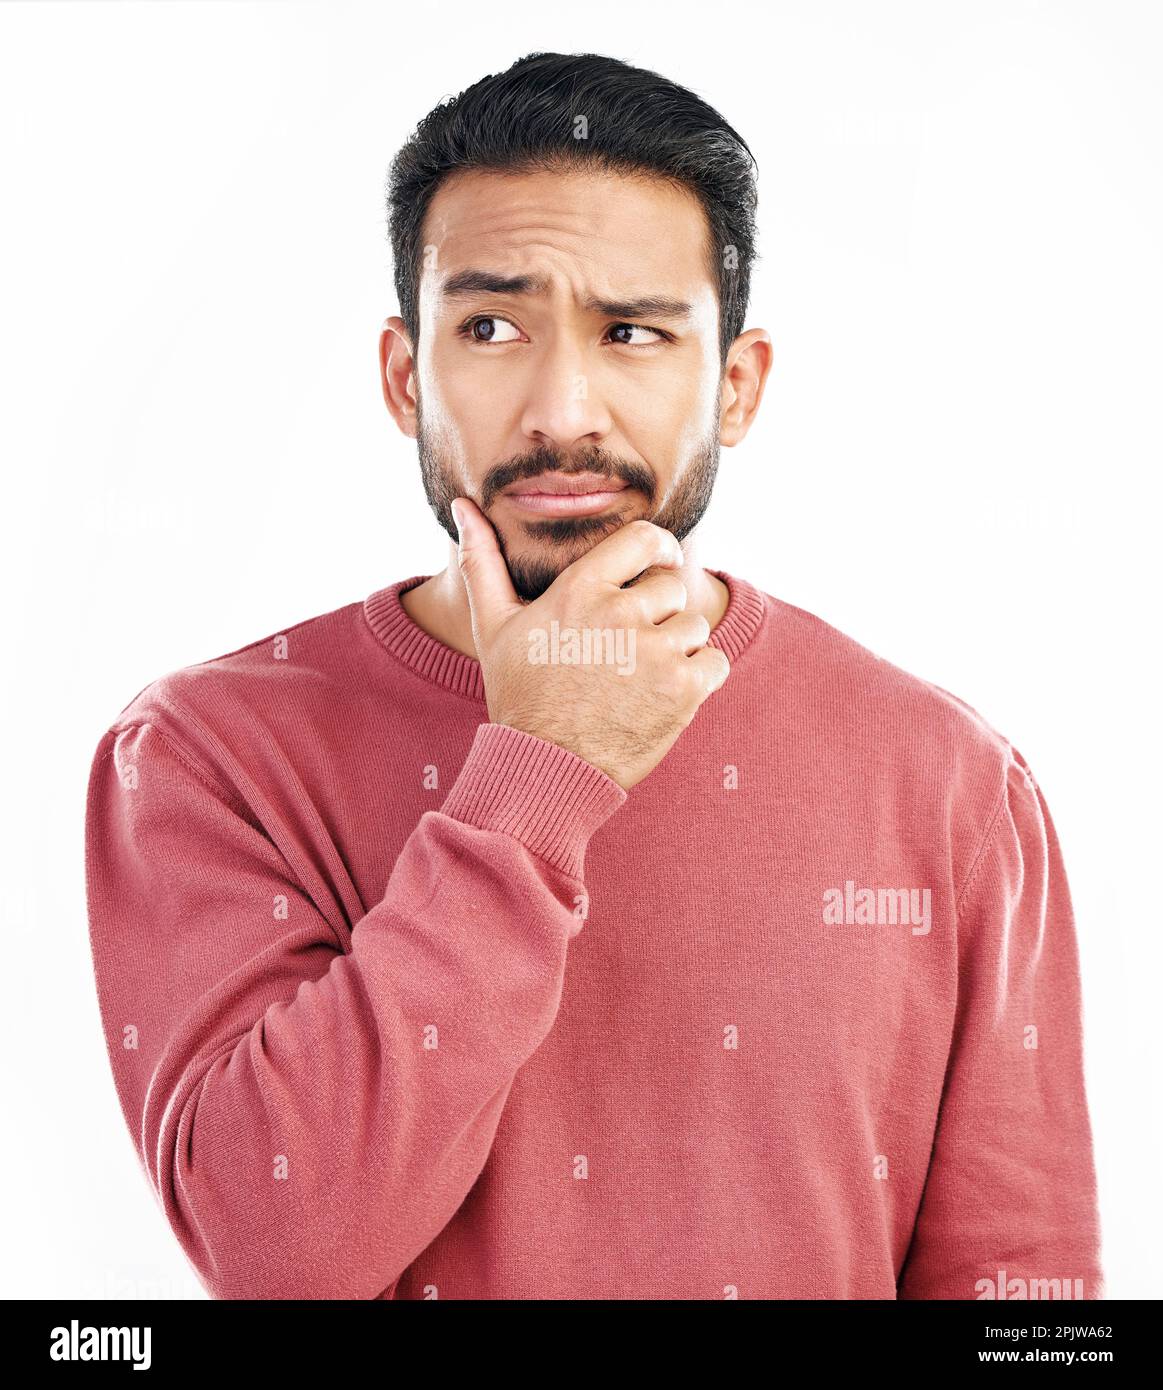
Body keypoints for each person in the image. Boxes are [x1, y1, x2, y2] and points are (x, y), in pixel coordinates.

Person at [84, 51, 1103, 1300]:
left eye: (632, 332)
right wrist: (539, 776)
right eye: (492, 327)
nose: (561, 408)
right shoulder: (203, 752)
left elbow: (1024, 1296)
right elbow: (278, 1251)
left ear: (734, 386)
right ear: (407, 376)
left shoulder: (951, 782)